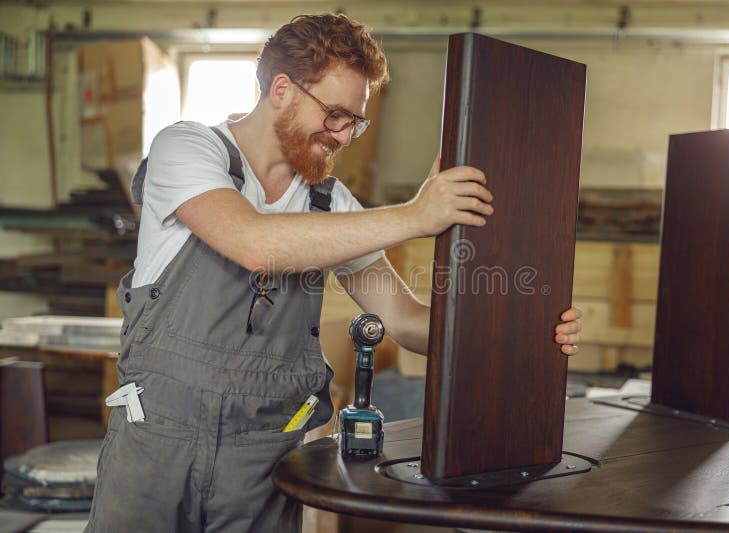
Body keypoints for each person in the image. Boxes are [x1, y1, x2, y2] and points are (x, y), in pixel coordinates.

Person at [85, 13, 583, 533]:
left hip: (262, 462)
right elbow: (253, 243)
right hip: (156, 448)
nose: (345, 136)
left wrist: (524, 336)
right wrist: (416, 215)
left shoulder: (331, 205)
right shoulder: (188, 149)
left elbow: (406, 320)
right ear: (281, 89)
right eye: (336, 115)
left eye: (355, 121)